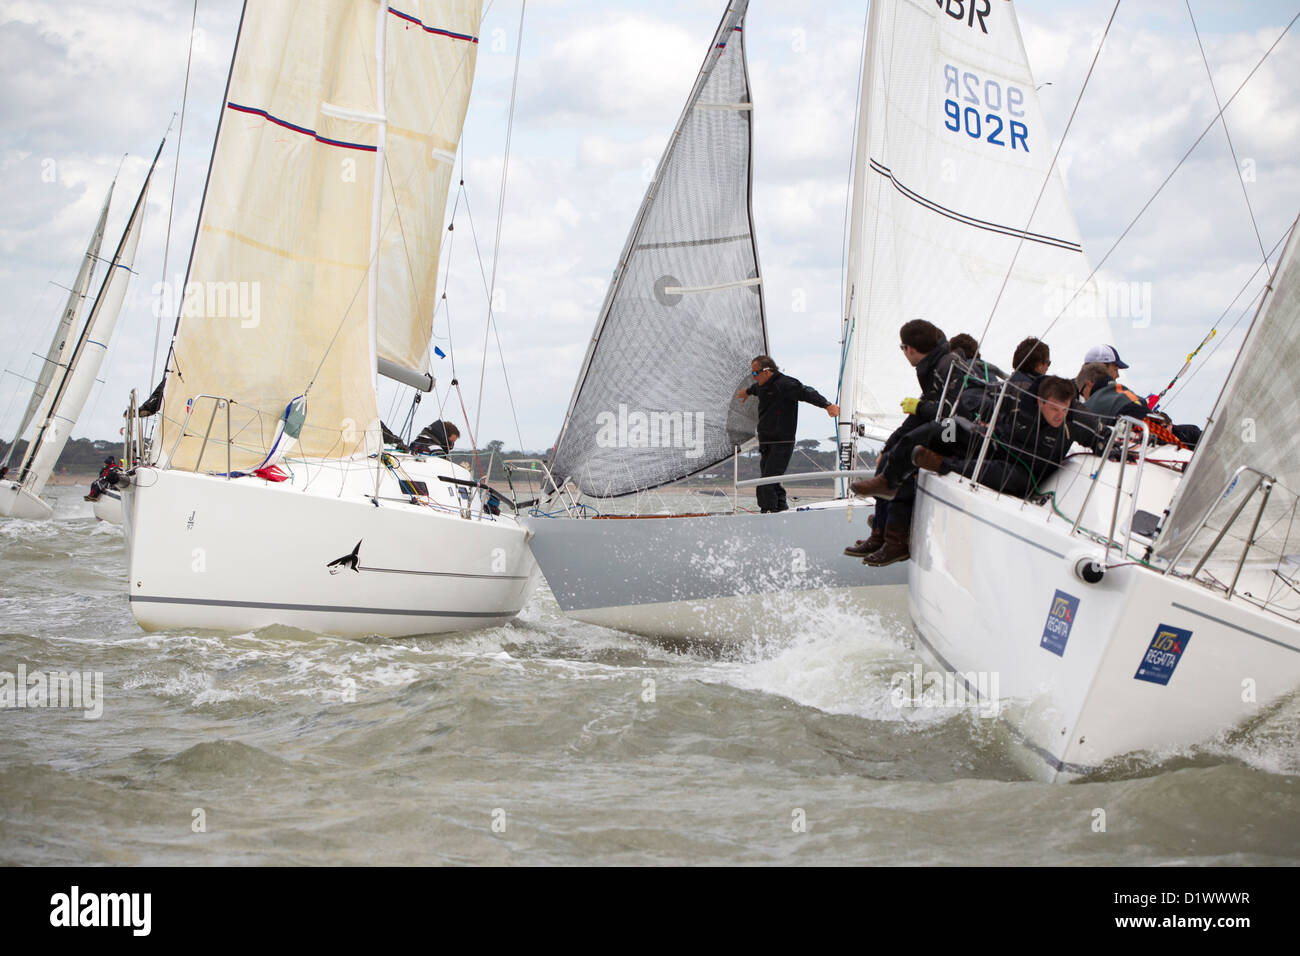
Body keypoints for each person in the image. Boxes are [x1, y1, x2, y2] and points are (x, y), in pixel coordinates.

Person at [845, 319, 955, 563]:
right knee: (888, 461)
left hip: (953, 433)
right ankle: (880, 535)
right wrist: (887, 447)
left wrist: (921, 407)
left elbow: (949, 414)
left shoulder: (944, 367)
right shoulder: (931, 366)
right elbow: (914, 422)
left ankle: (895, 542)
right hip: (942, 428)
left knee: (901, 471)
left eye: (902, 348)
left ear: (910, 349)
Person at [735, 355, 839, 513]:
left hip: (782, 442)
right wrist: (747, 392)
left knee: (767, 481)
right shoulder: (762, 385)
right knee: (773, 479)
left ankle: (767, 513)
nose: (753, 377)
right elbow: (755, 389)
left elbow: (807, 392)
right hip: (766, 442)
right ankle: (780, 509)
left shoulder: (786, 384)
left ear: (767, 371)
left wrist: (827, 405)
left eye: (755, 373)